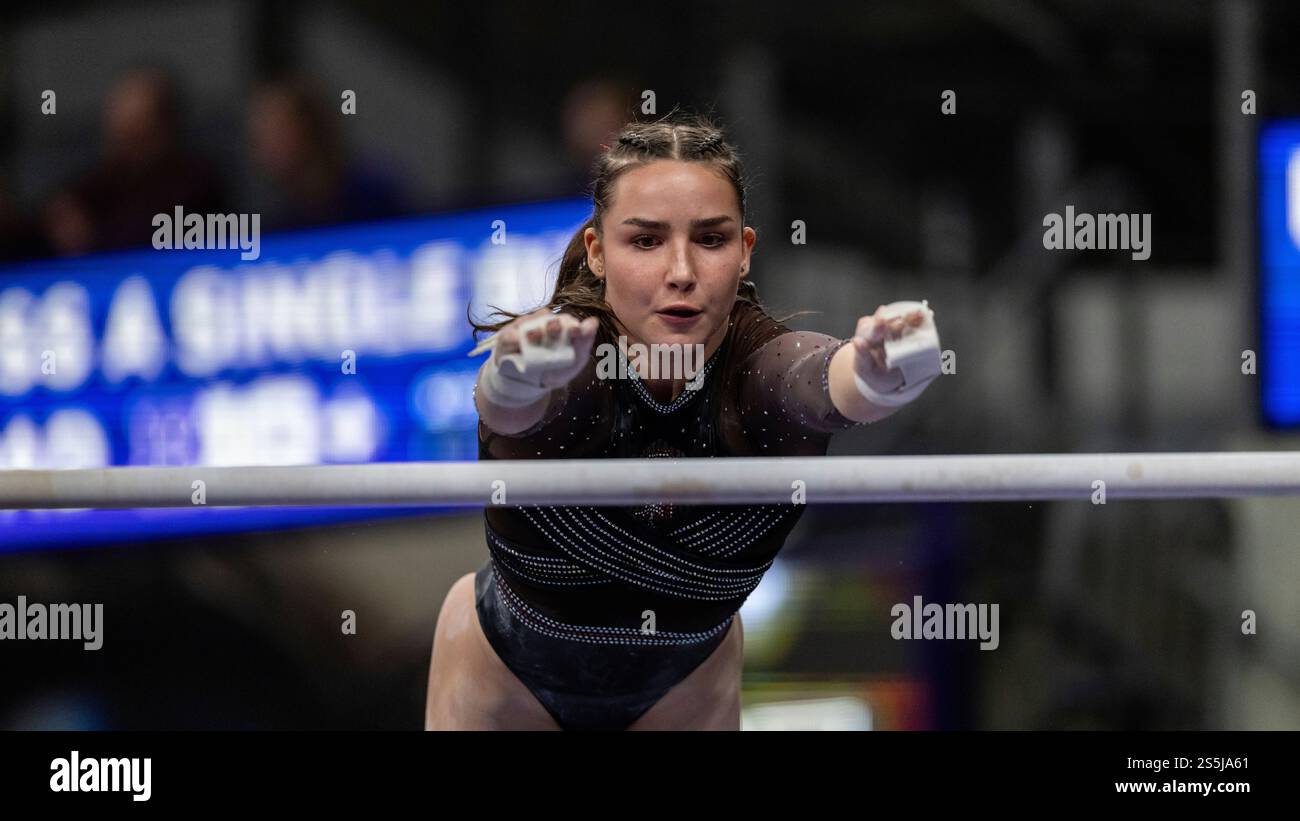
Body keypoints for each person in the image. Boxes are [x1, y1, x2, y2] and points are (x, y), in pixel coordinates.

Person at [425, 112, 937, 730]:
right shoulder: (571, 370)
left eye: (711, 239)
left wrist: (882, 374)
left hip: (686, 689)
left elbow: (824, 383)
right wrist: (513, 378)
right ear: (597, 251)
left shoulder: (759, 373)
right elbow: (512, 411)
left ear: (745, 252)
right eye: (645, 241)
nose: (682, 272)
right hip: (503, 676)